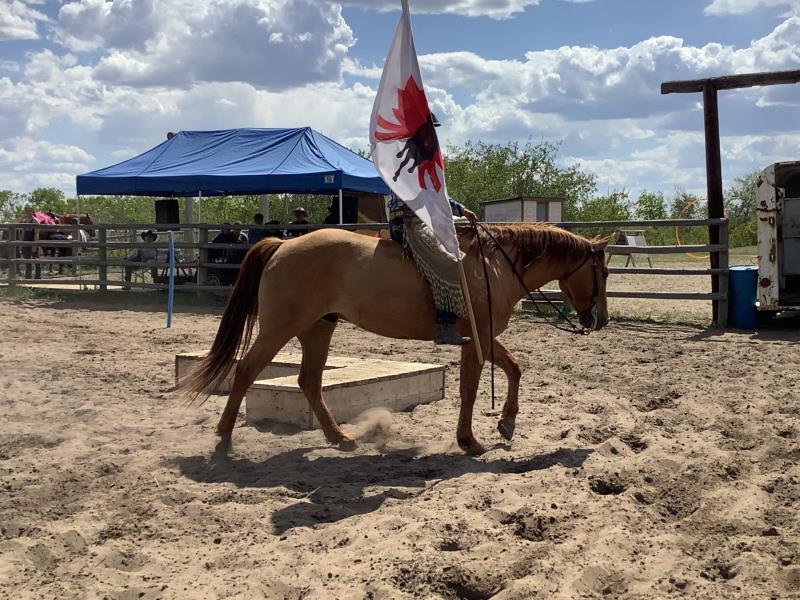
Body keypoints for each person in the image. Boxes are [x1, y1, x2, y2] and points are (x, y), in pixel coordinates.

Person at [388, 194, 478, 345]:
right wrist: (460, 210)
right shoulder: (408, 178)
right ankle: (445, 327)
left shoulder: (417, 177)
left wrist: (462, 210)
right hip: (408, 224)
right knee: (449, 264)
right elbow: (431, 195)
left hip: (420, 221)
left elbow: (435, 191)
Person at [20, 206, 42, 280]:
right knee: (27, 260)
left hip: (33, 241)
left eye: (30, 211)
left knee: (36, 259)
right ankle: (28, 277)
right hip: (25, 242)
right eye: (27, 211)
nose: (28, 212)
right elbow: (23, 233)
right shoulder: (24, 221)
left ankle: (38, 277)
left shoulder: (35, 221)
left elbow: (37, 233)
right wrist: (21, 243)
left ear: (33, 212)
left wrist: (35, 244)